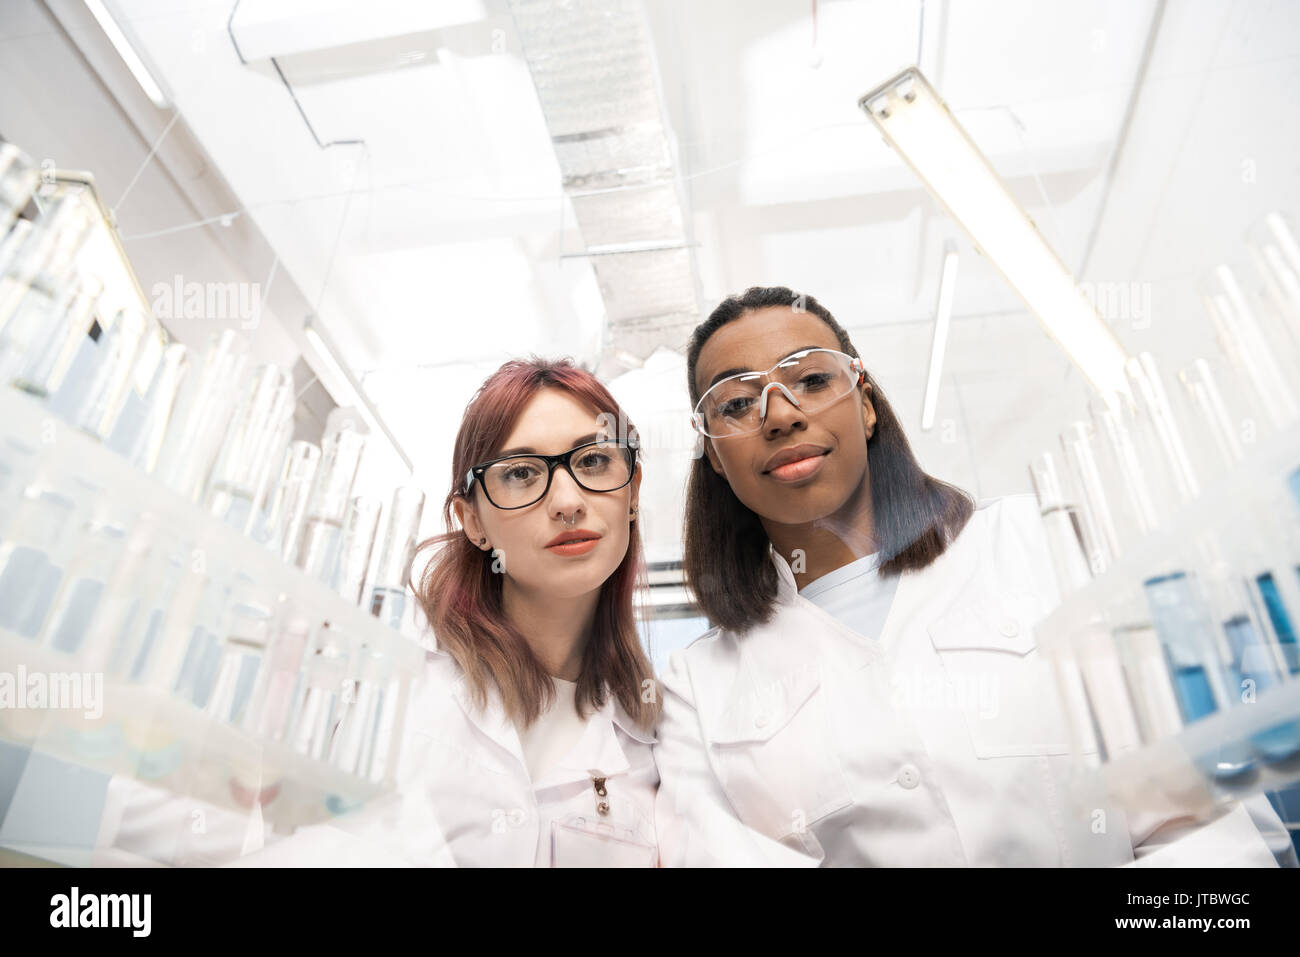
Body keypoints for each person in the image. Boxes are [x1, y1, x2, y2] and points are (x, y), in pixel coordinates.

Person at [653, 285, 1295, 867]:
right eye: (736, 402)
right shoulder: (696, 691)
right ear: (711, 450)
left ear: (867, 407)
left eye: (812, 379)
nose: (780, 414)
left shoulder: (1043, 544)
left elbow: (1217, 833)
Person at [99, 358, 660, 867]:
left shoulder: (657, 733)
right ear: (472, 521)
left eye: (593, 459)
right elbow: (149, 836)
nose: (567, 501)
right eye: (520, 472)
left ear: (631, 490)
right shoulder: (363, 657)